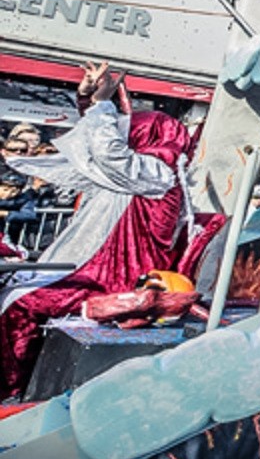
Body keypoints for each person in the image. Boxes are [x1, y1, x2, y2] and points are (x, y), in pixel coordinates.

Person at [1, 65, 212, 399]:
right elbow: (97, 148)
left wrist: (101, 104)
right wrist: (89, 99)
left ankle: (13, 389)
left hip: (118, 277)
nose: (125, 135)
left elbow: (109, 153)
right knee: (14, 289)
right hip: (97, 268)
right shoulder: (139, 171)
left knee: (22, 304)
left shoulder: (158, 173)